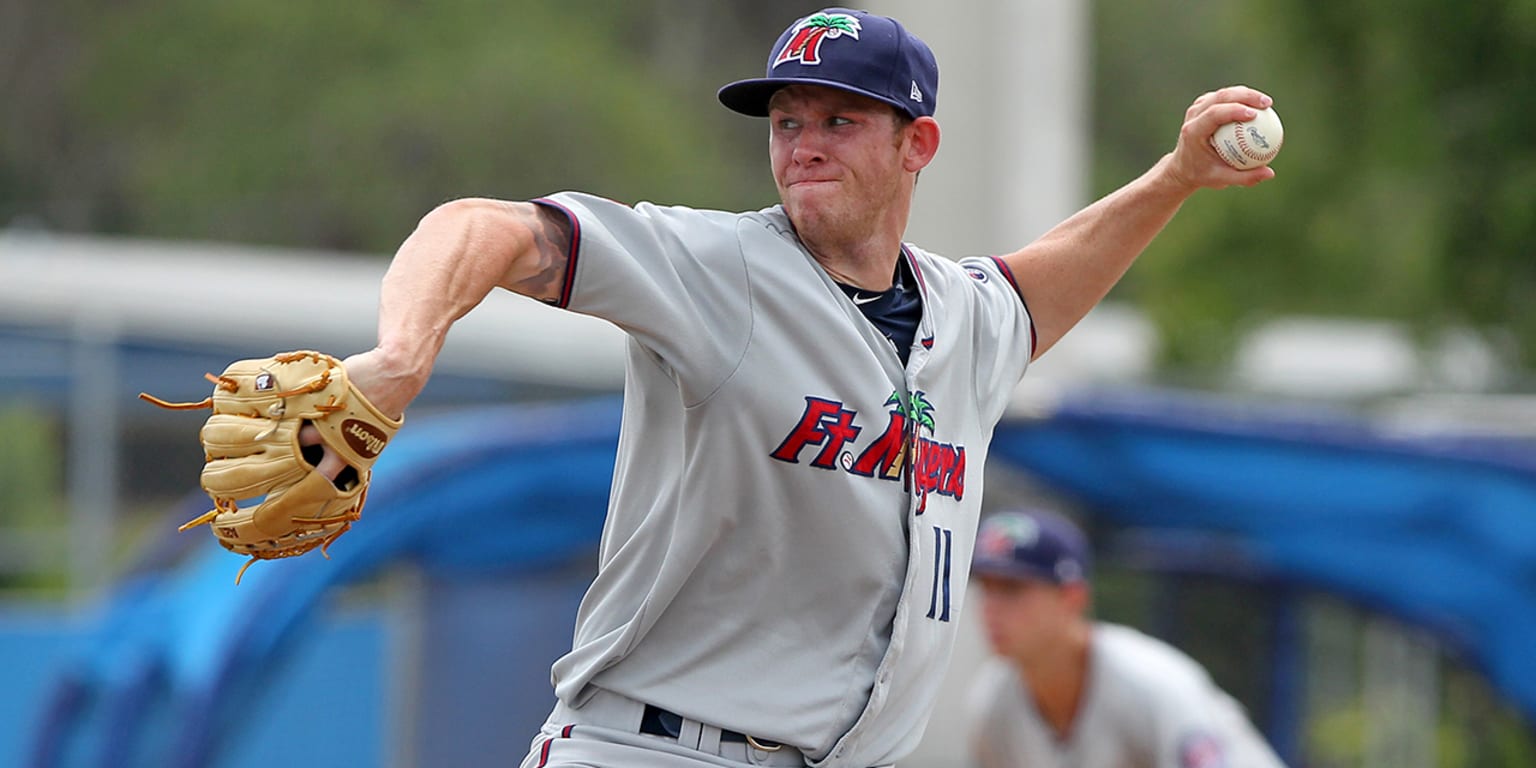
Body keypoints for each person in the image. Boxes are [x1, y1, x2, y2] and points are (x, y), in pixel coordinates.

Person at [313, 7, 1276, 767]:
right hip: (655, 749)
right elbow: (485, 227)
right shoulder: (715, 268)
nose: (802, 143)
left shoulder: (968, 320)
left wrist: (1178, 176)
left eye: (839, 119)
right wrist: (403, 353)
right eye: (786, 121)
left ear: (917, 145)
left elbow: (1046, 278)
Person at [966, 508, 1289, 768]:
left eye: (1012, 589)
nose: (991, 608)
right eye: (986, 587)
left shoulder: (1150, 683)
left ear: (1072, 598)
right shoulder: (993, 703)